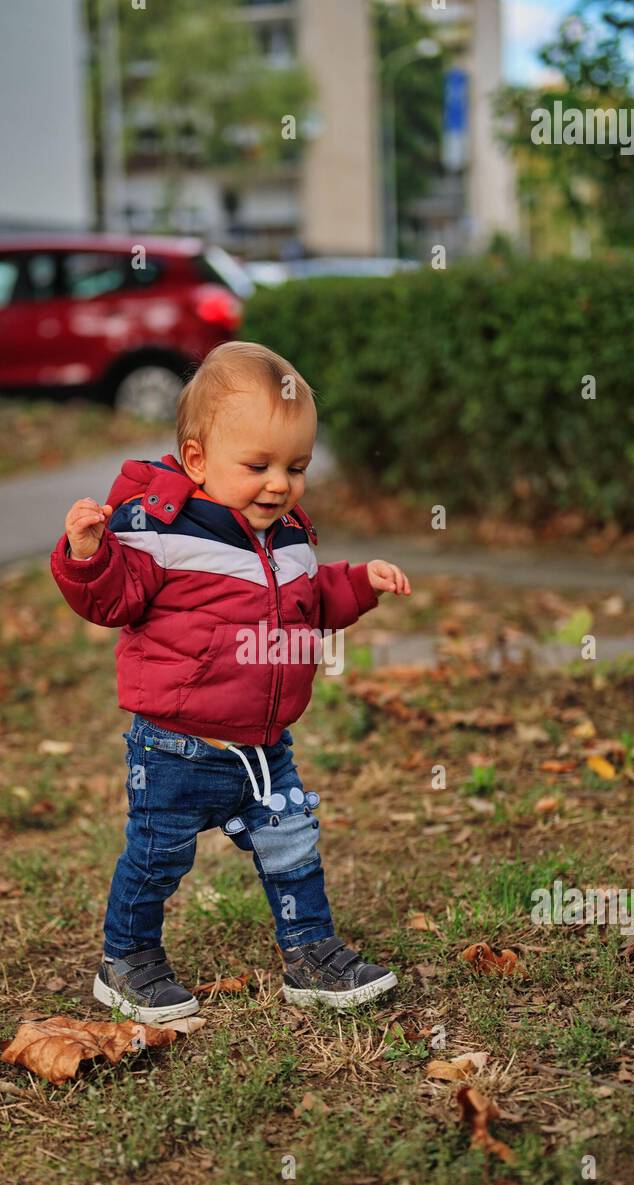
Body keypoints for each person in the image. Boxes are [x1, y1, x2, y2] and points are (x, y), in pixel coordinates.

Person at [50, 341, 412, 1023]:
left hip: (265, 747)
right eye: (259, 467)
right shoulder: (159, 533)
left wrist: (359, 582)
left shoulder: (289, 535)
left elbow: (313, 599)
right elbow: (112, 600)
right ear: (197, 461)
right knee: (157, 858)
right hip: (175, 748)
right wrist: (88, 555)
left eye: (296, 467)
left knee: (293, 845)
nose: (279, 485)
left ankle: (310, 954)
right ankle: (125, 959)